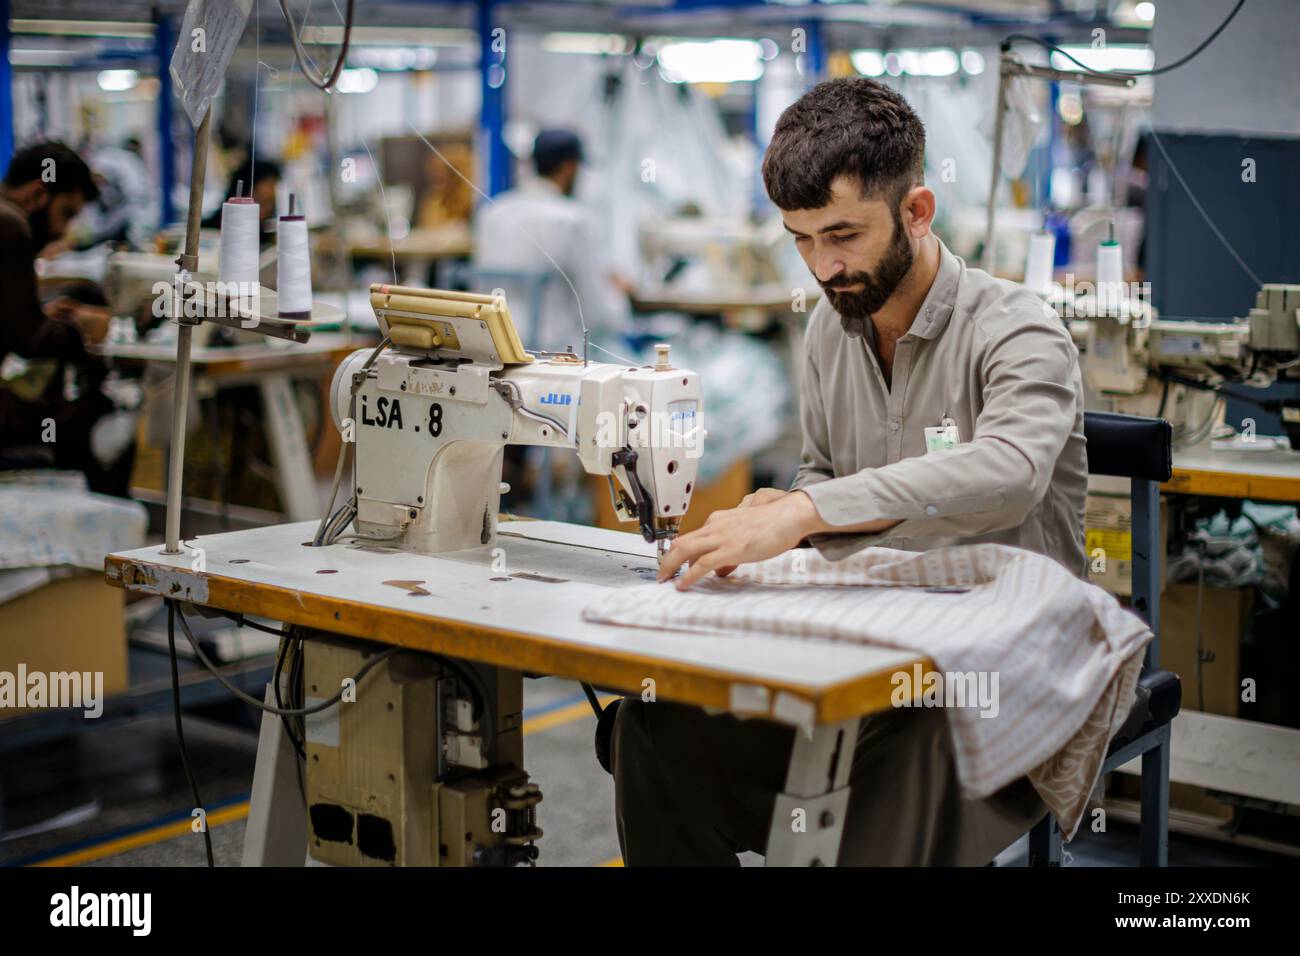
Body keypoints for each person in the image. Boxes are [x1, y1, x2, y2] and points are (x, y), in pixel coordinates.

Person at [613, 78, 1089, 866]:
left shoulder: (1019, 330)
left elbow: (1010, 474)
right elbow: (822, 472)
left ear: (917, 211)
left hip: (1002, 665)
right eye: (801, 240)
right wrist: (782, 516)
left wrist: (806, 512)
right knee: (655, 723)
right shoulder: (832, 335)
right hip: (870, 641)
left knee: (887, 780)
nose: (822, 267)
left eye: (842, 235)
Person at [0, 142, 134, 496]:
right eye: (66, 213)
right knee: (90, 414)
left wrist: (44, 319)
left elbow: (17, 324)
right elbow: (28, 340)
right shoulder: (10, 225)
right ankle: (100, 530)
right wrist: (81, 330)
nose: (63, 231)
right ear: (38, 194)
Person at [474, 129, 630, 353]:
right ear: (568, 168)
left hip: (497, 349)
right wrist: (618, 293)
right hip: (556, 359)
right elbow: (602, 317)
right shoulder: (572, 221)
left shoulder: (492, 214)